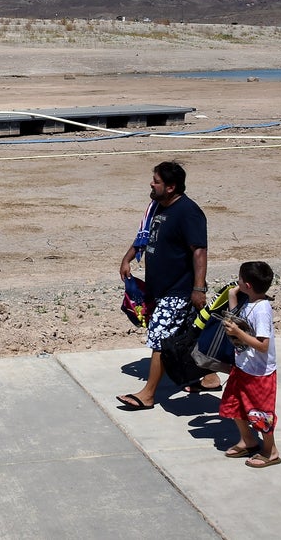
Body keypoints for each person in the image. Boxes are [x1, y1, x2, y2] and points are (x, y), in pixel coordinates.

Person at [116, 161, 210, 410]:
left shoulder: (188, 212)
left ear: (171, 187)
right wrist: (127, 258)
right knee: (186, 335)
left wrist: (198, 289)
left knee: (160, 336)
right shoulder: (157, 207)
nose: (151, 184)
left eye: (156, 181)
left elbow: (199, 251)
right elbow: (145, 236)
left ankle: (148, 395)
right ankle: (209, 378)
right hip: (159, 287)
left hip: (179, 289)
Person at [219, 260, 280, 468]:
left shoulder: (262, 309)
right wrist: (232, 295)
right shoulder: (249, 302)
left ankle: (271, 451)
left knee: (261, 413)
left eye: (239, 278)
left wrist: (237, 333)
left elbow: (263, 345)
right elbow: (239, 320)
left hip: (259, 373)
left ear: (247, 285)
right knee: (235, 403)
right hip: (243, 366)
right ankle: (248, 440)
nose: (237, 281)